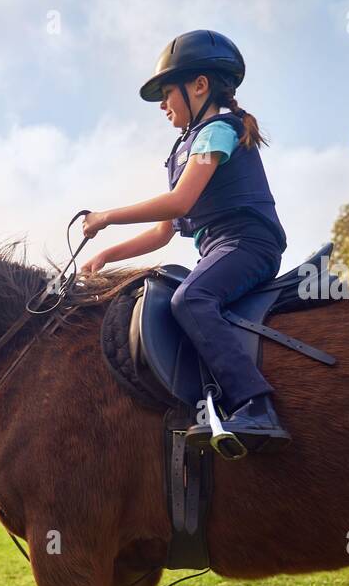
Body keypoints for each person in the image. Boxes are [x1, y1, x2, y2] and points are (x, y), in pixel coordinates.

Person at [82, 30, 291, 458]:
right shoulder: (185, 150)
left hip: (247, 243)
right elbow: (164, 230)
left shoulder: (217, 131)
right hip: (219, 247)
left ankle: (257, 405)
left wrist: (106, 217)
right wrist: (106, 254)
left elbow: (181, 201)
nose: (162, 105)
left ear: (199, 86)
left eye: (166, 93)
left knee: (190, 300)